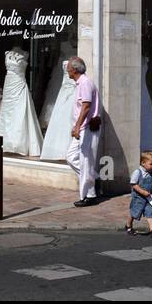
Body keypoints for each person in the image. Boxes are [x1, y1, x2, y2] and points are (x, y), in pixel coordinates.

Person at [65, 56, 101, 207]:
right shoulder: (80, 83)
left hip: (86, 128)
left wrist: (77, 126)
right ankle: (93, 179)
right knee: (71, 157)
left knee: (85, 162)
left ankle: (88, 195)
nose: (67, 69)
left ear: (74, 69)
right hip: (82, 128)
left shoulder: (85, 83)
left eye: (68, 68)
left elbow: (86, 107)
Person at [126, 151, 152, 236]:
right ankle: (128, 225)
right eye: (151, 164)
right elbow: (133, 184)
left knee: (149, 212)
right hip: (138, 197)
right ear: (143, 163)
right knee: (135, 212)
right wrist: (142, 192)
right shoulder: (137, 172)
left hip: (149, 198)